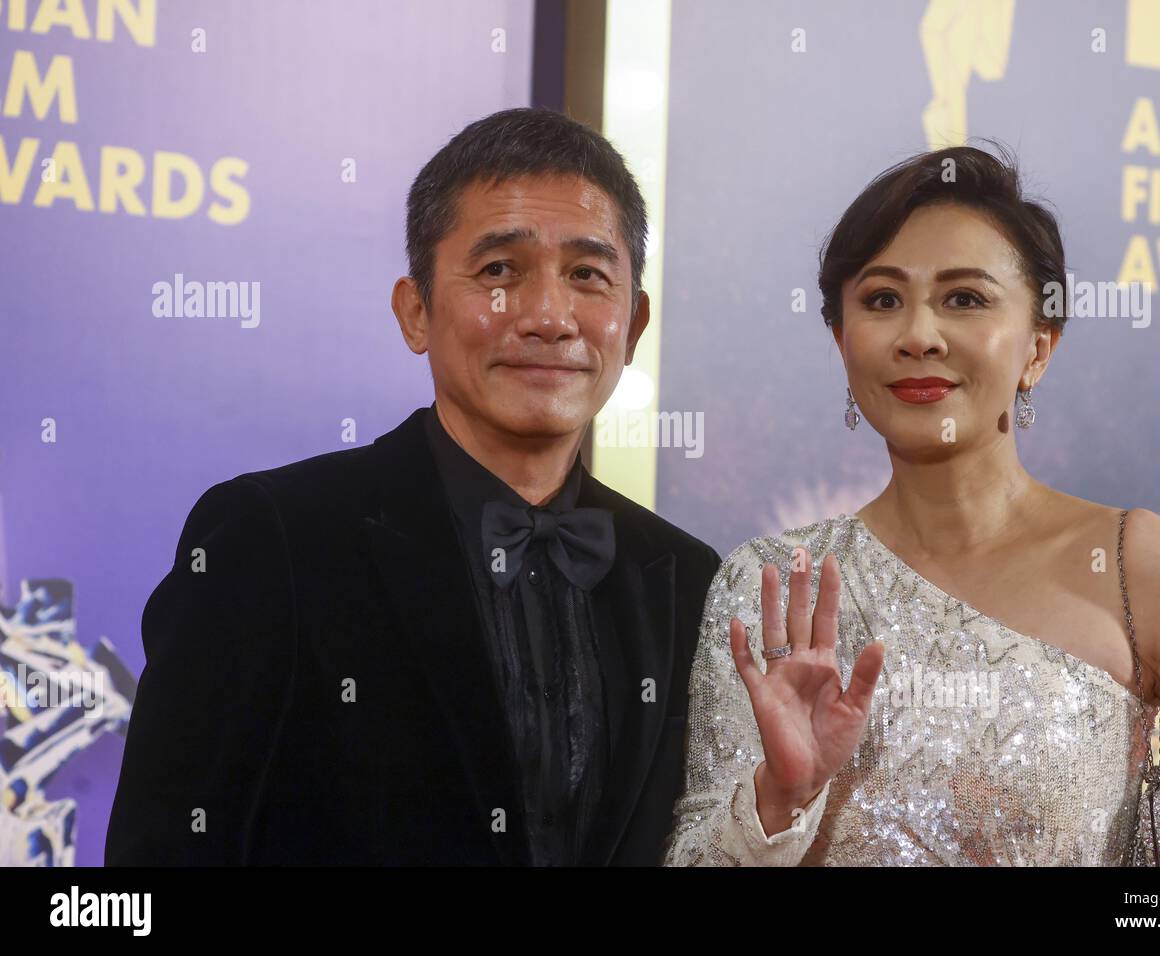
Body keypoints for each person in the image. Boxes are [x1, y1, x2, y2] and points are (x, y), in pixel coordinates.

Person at [106, 107, 720, 866]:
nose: (548, 316)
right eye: (499, 271)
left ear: (632, 324)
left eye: (588, 276)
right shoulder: (273, 539)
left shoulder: (687, 579)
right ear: (416, 311)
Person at [665, 143, 1160, 866]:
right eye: (881, 301)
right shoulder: (775, 586)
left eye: (964, 299)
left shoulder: (1136, 566)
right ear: (842, 341)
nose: (919, 336)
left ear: (1039, 347)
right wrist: (781, 797)